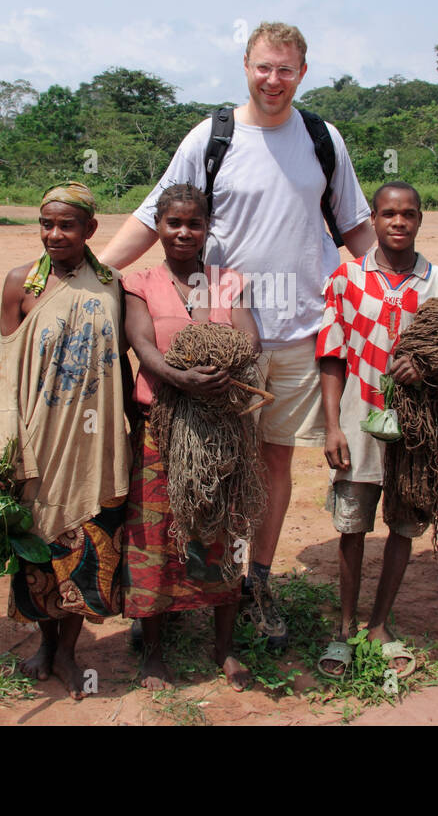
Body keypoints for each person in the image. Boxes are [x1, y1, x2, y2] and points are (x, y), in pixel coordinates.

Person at [100, 21, 376, 647]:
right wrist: (85, 276)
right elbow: (153, 215)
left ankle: (255, 579)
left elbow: (357, 228)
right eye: (263, 67)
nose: (273, 80)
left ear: (302, 73)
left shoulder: (321, 139)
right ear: (244, 67)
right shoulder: (211, 137)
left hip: (303, 330)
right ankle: (192, 575)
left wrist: (418, 280)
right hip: (220, 332)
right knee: (209, 455)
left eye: (286, 69)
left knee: (273, 461)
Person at [0, 182, 131, 700]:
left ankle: (68, 652)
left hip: (96, 446)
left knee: (87, 552)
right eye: (46, 223)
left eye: (67, 225)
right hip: (39, 442)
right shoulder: (20, 282)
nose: (54, 234)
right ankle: (46, 645)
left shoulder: (111, 283)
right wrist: (1, 443)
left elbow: (124, 369)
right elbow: (6, 370)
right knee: (40, 554)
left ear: (91, 230)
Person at [315, 181, 438, 679]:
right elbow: (332, 358)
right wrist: (332, 427)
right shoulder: (346, 277)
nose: (398, 222)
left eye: (409, 214)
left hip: (421, 433)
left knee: (403, 525)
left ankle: (380, 625)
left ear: (421, 219)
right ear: (372, 220)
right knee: (352, 528)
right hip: (358, 424)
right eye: (388, 214)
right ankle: (345, 625)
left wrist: (429, 368)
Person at [121, 184, 260, 692]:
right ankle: (153, 653)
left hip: (221, 430)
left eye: (194, 223)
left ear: (207, 228)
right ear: (158, 226)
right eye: (173, 222)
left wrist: (223, 361)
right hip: (162, 429)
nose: (184, 232)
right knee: (154, 539)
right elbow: (142, 344)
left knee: (222, 532)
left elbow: (249, 339)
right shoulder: (139, 283)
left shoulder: (230, 282)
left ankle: (223, 648)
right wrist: (179, 378)